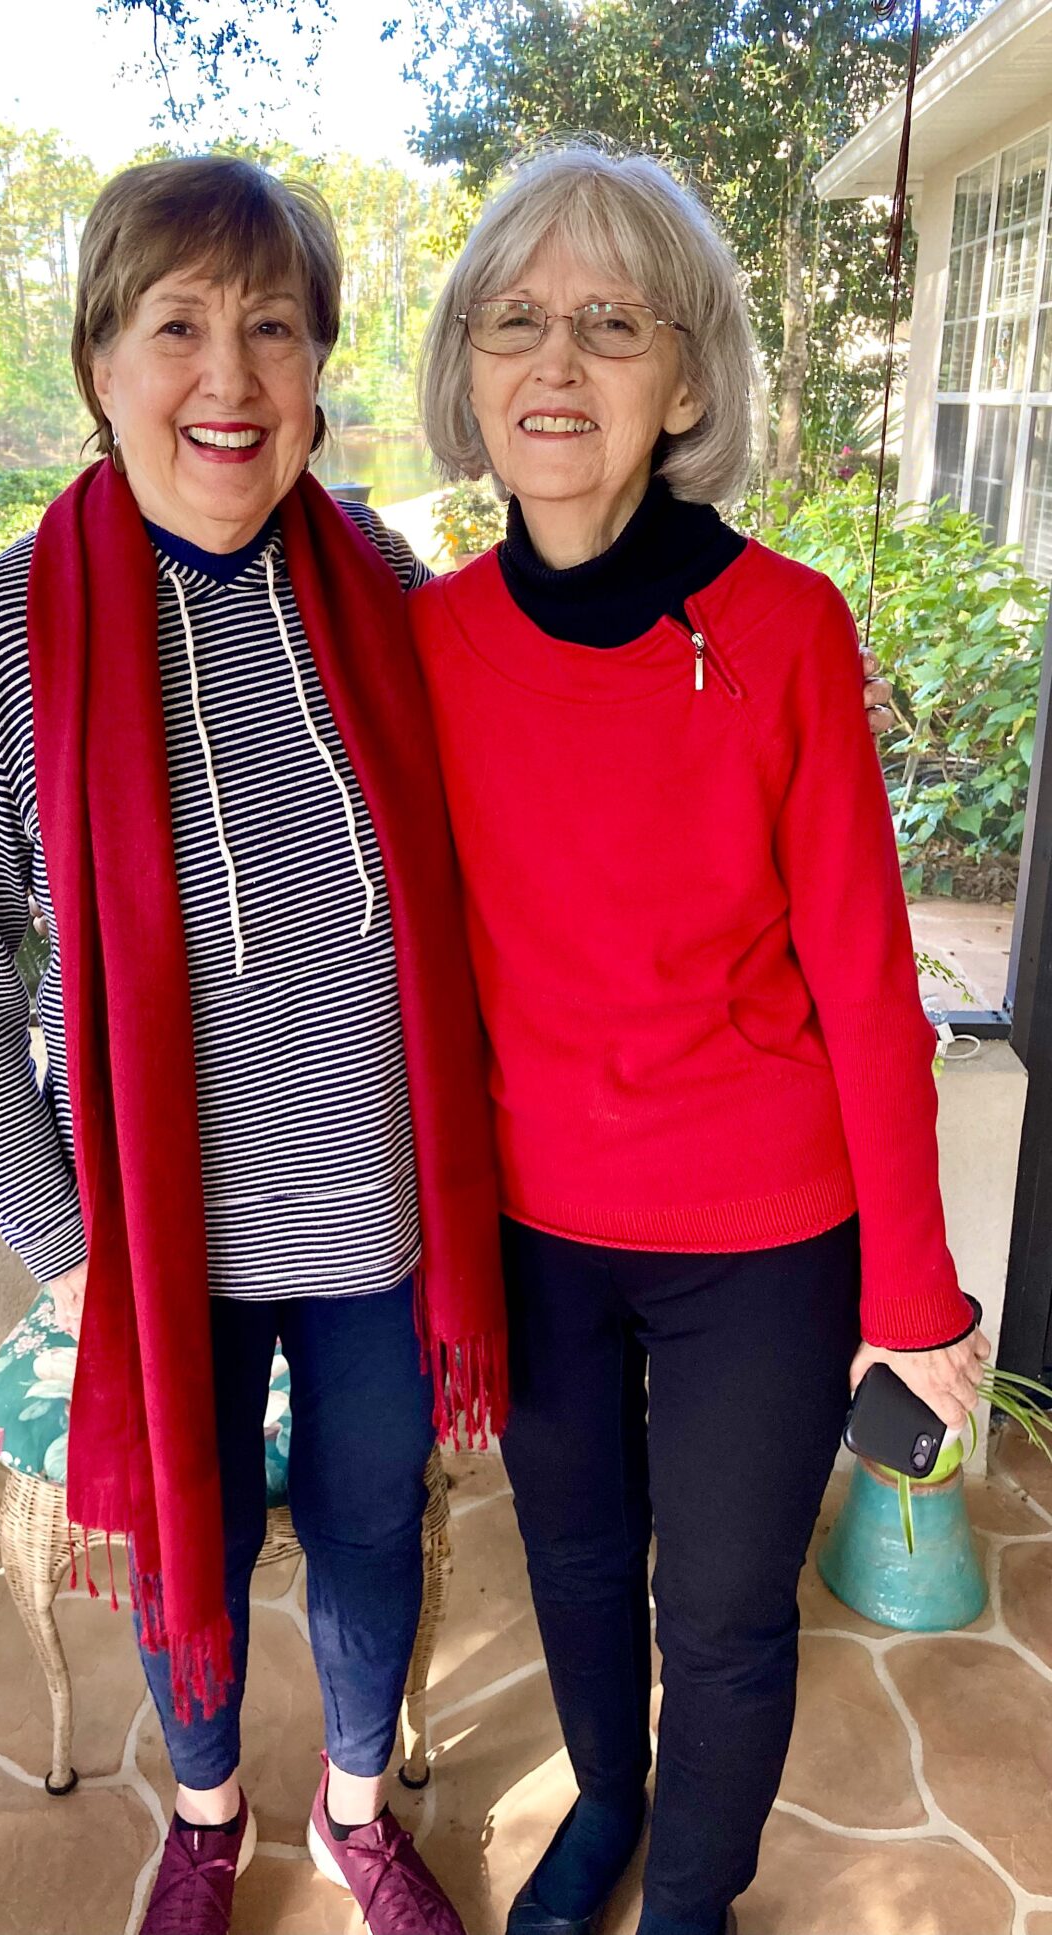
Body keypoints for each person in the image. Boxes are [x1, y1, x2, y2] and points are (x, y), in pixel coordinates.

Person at [0, 154, 508, 1935]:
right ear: (102, 362)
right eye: (179, 326)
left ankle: (349, 1811)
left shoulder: (385, 589)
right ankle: (204, 1813)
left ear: (321, 365)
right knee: (192, 1546)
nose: (229, 379)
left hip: (381, 1222)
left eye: (273, 327)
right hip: (160, 1247)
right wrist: (78, 1255)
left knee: (368, 1532)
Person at [410, 145, 990, 1935]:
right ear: (470, 375)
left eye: (610, 322)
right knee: (577, 1564)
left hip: (763, 1230)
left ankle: (696, 1897)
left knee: (726, 1612)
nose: (558, 365)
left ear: (686, 380)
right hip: (535, 1219)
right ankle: (605, 1810)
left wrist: (918, 1298)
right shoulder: (422, 642)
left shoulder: (789, 629)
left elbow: (868, 988)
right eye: (517, 323)